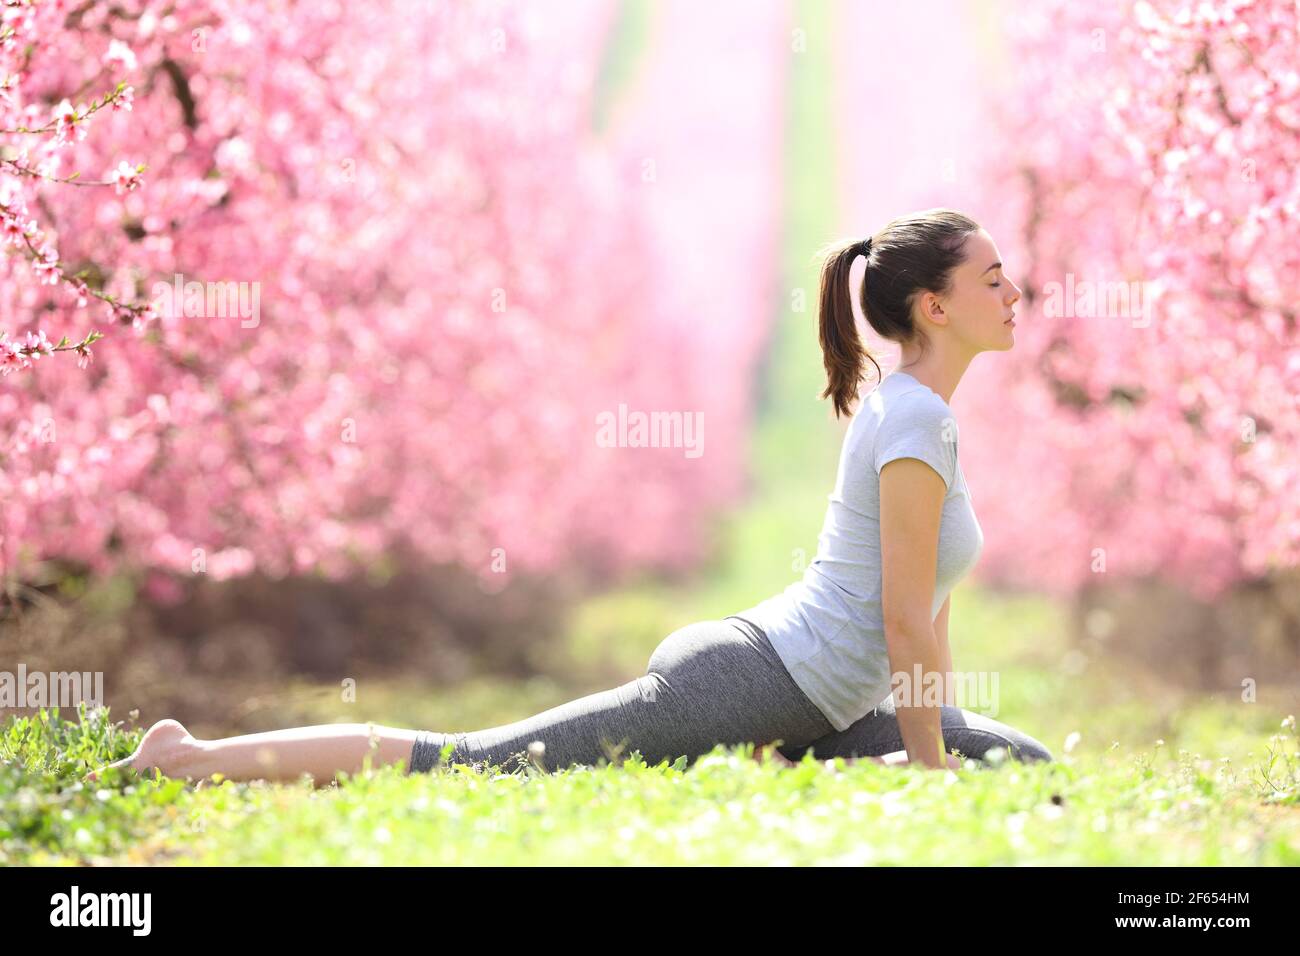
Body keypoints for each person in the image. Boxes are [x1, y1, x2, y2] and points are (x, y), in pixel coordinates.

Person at [87, 208, 1052, 786]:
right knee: (477, 763)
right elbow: (899, 618)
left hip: (823, 706)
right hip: (756, 682)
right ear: (934, 306)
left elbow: (928, 605)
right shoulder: (916, 418)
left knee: (1022, 768)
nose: (1015, 295)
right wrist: (927, 766)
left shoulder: (922, 413)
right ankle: (193, 759)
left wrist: (945, 736)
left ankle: (795, 764)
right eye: (994, 280)